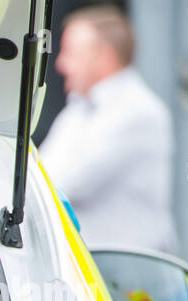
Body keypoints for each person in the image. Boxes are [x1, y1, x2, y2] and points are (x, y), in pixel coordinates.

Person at [38, 3, 177, 253]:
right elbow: (41, 178)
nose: (61, 64)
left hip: (128, 279)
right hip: (100, 270)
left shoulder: (137, 112)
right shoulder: (79, 109)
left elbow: (55, 186)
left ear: (104, 56)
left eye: (71, 53)